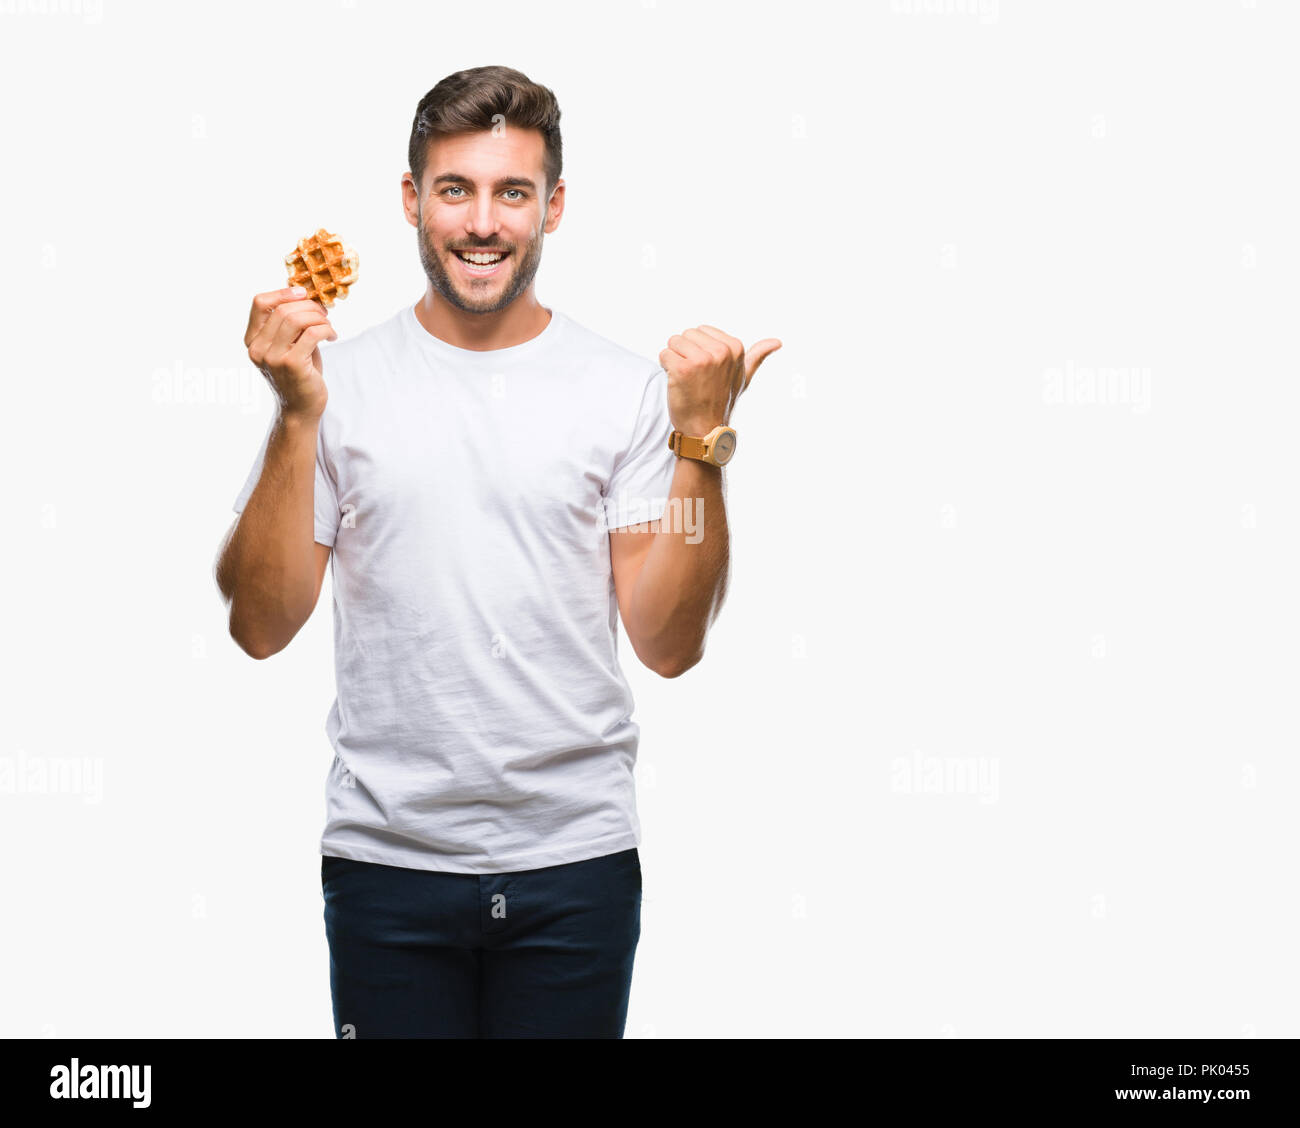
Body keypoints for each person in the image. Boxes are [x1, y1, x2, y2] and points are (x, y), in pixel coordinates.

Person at [214, 65, 781, 1038]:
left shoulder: (624, 390)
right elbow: (260, 625)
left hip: (575, 864)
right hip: (388, 865)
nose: (483, 221)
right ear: (412, 201)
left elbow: (668, 642)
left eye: (511, 191)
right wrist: (293, 415)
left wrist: (702, 447)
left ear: (551, 207)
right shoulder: (334, 385)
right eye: (455, 189)